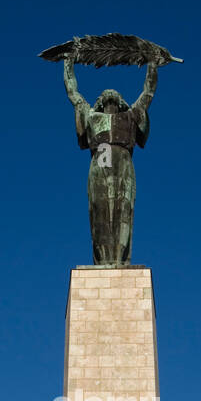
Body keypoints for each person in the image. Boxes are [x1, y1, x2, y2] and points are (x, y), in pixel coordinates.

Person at [63, 52, 159, 265]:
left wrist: (152, 64)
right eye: (105, 94)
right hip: (100, 162)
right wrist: (68, 63)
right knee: (100, 210)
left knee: (122, 208)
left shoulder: (130, 116)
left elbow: (148, 93)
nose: (110, 94)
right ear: (100, 101)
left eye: (114, 93)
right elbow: (73, 93)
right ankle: (103, 259)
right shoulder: (92, 116)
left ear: (121, 101)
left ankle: (120, 258)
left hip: (123, 162)